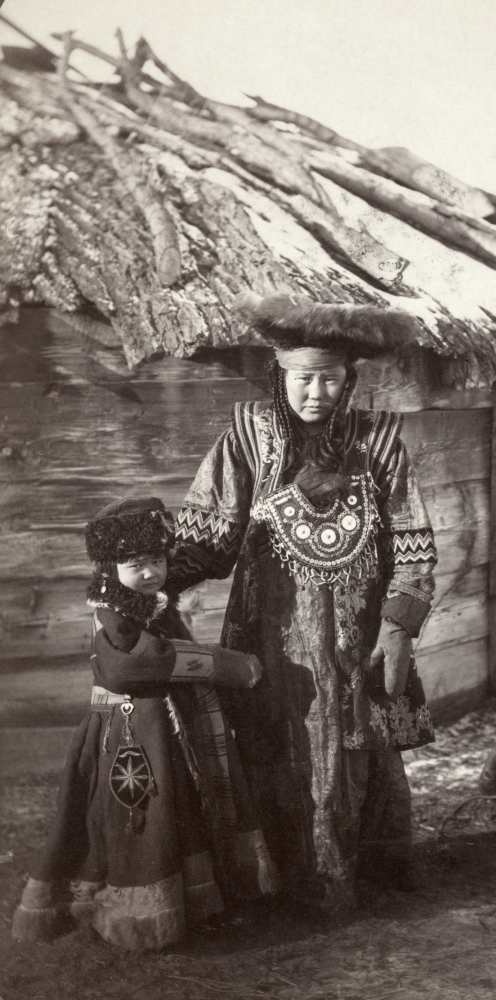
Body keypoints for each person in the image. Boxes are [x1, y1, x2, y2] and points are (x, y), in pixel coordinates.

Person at [169, 293, 438, 913]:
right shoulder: (248, 434)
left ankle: (355, 874)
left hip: (357, 627)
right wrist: (157, 584)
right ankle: (276, 880)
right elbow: (210, 532)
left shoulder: (380, 440)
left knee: (355, 738)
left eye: (329, 378)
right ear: (280, 375)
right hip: (271, 629)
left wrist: (398, 626)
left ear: (349, 380)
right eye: (303, 378)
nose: (316, 392)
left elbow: (414, 538)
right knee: (274, 738)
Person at [12, 497, 278, 951]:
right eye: (137, 564)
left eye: (156, 560)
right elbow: (129, 668)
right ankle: (133, 914)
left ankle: (191, 903)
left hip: (165, 732)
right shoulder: (112, 612)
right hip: (128, 735)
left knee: (177, 811)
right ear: (110, 567)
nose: (151, 572)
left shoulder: (150, 601)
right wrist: (222, 664)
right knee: (137, 817)